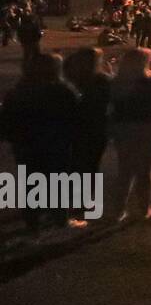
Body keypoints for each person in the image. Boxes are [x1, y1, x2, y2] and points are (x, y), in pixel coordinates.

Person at [0, 52, 78, 230]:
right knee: (57, 181)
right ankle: (59, 218)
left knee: (30, 182)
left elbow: (7, 119)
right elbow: (75, 117)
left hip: (25, 144)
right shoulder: (63, 91)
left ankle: (32, 221)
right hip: (55, 143)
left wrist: (12, 137)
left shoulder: (18, 91)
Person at [109, 48, 151, 223]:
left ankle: (118, 211)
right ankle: (144, 208)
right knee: (145, 170)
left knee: (124, 170)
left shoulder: (117, 82)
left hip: (123, 126)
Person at [63, 48, 113, 220]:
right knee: (90, 166)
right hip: (96, 129)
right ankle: (82, 203)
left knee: (76, 164)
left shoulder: (73, 78)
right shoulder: (102, 80)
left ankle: (73, 200)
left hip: (76, 128)